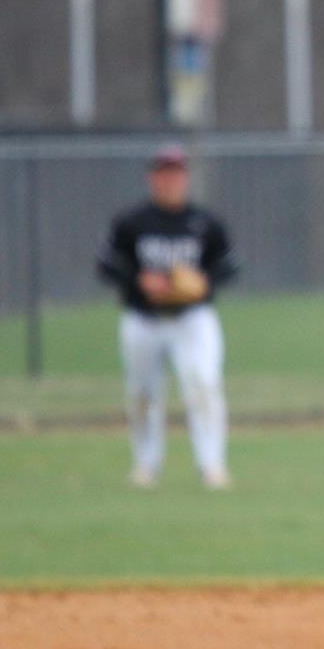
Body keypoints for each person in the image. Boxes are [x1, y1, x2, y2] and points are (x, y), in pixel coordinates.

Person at [94, 144, 237, 490]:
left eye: (176, 173)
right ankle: (146, 465)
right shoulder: (132, 222)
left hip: (192, 319)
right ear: (153, 178)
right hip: (143, 319)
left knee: (203, 385)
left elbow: (228, 267)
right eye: (164, 173)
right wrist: (139, 280)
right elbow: (107, 265)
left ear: (186, 178)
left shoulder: (205, 224)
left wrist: (204, 282)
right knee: (143, 393)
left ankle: (212, 466)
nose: (170, 180)